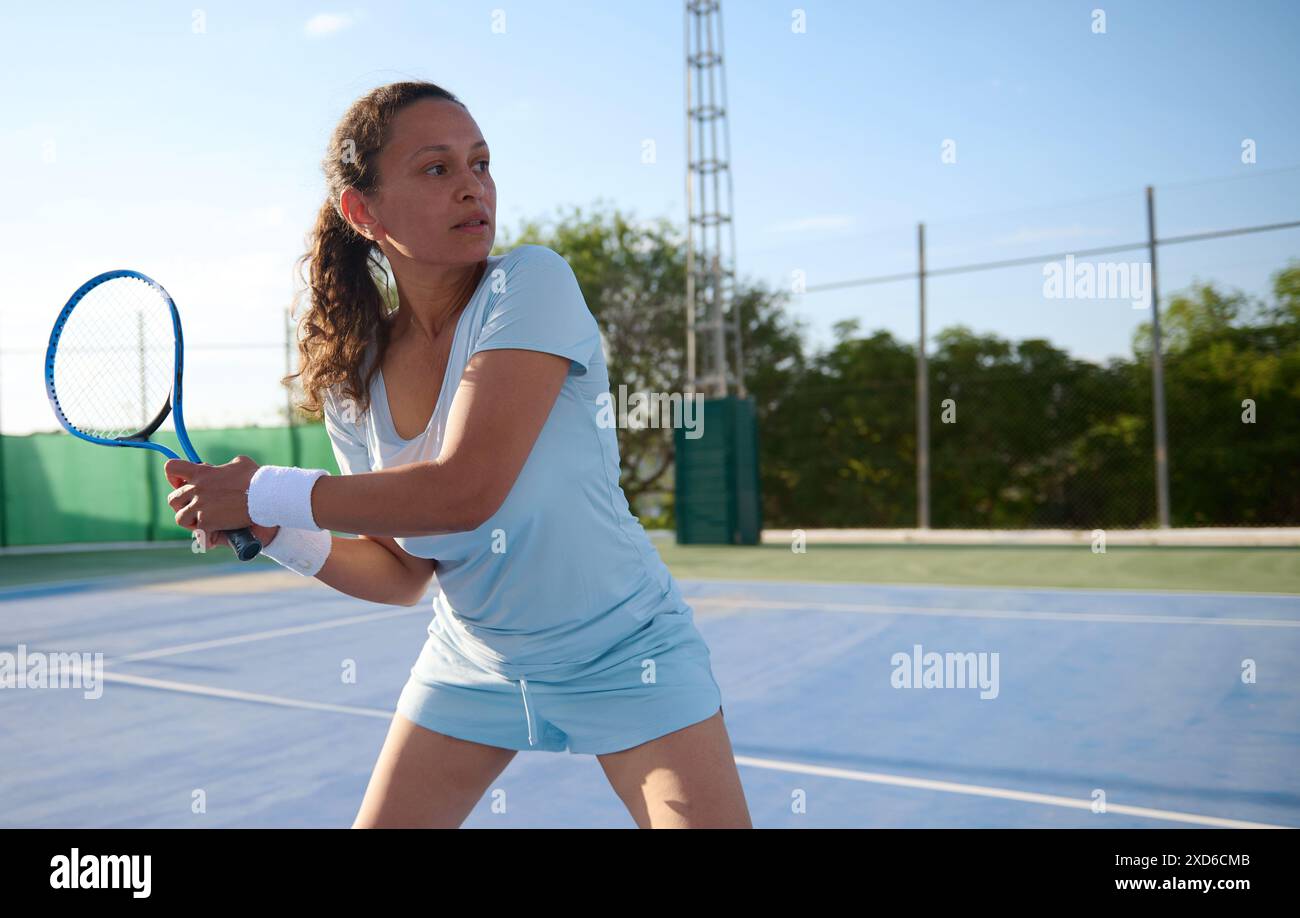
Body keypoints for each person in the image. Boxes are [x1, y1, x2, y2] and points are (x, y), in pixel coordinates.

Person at [163, 80, 751, 829]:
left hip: (626, 650)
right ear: (362, 211)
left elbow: (463, 491)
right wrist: (280, 534)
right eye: (438, 169)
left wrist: (263, 492)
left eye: (481, 163)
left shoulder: (532, 283)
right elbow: (404, 572)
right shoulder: (354, 377)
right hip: (475, 664)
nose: (473, 187)